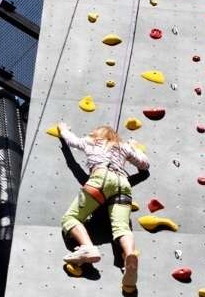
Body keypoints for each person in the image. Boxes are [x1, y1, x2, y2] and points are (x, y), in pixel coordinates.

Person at [58, 122, 149, 291]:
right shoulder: (123, 147)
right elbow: (144, 165)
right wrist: (135, 149)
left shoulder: (91, 141)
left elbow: (72, 142)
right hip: (123, 183)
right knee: (121, 227)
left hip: (101, 178)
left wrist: (63, 129)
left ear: (96, 134)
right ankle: (129, 255)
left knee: (70, 218)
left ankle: (87, 247)